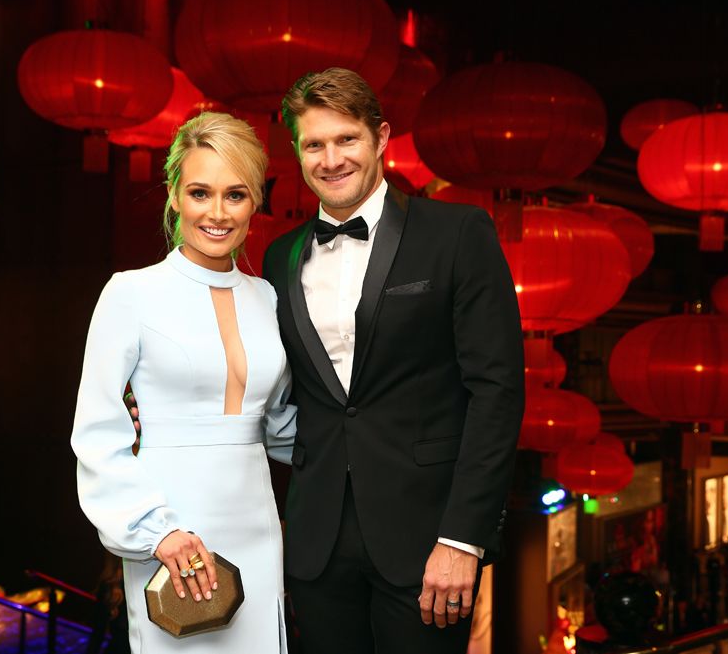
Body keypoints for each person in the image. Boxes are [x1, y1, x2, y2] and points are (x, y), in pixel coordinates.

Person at [263, 67, 524, 654]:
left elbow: (497, 391)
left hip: (431, 541)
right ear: (298, 154)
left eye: (346, 139)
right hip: (315, 544)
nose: (331, 159)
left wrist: (464, 538)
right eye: (314, 145)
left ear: (380, 138)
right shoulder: (279, 256)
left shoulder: (457, 232)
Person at [71, 112, 295, 653]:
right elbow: (96, 432)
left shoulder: (267, 298)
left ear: (255, 202)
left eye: (235, 195)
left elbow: (286, 427)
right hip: (171, 528)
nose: (217, 213)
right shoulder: (130, 293)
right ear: (174, 195)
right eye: (200, 192)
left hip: (259, 526)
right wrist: (157, 530)